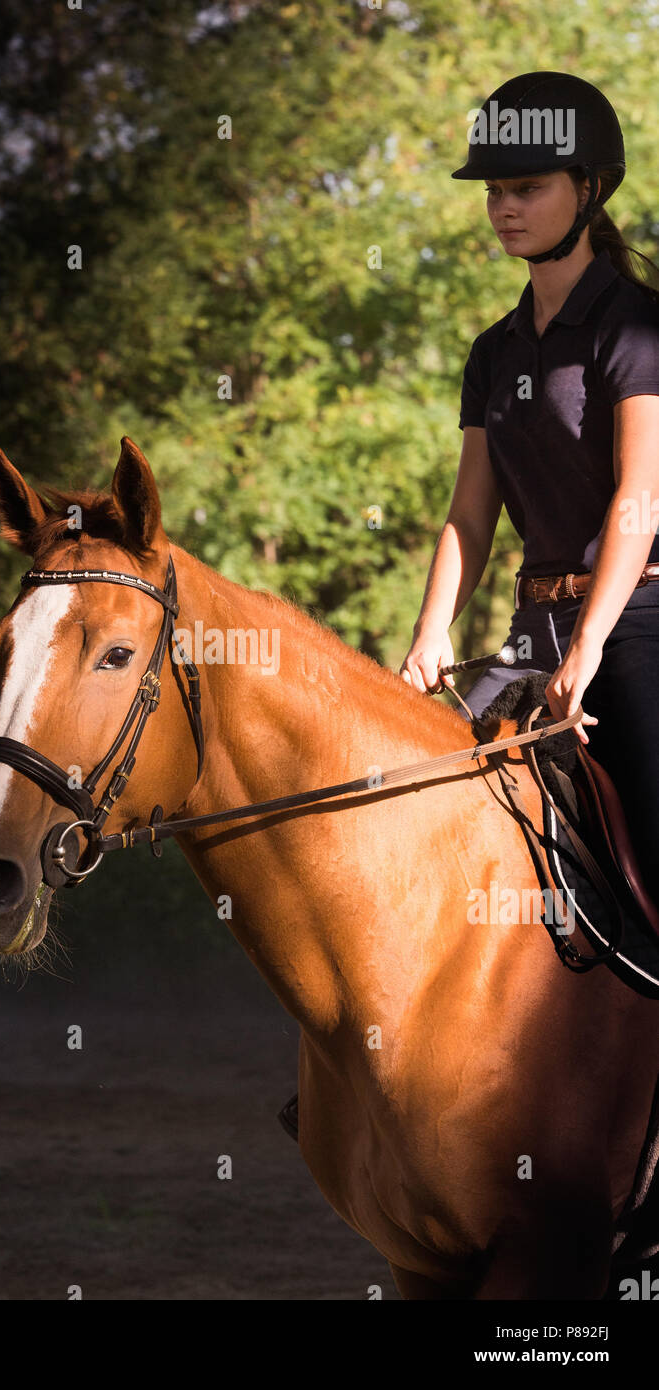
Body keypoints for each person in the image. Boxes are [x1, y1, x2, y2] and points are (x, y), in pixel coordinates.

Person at [399, 71, 659, 903]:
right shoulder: (493, 352)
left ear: (587, 189)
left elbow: (638, 501)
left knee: (652, 845)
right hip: (530, 629)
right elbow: (470, 517)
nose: (504, 206)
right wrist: (431, 633)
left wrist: (587, 648)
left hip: (637, 626)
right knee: (428, 799)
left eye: (528, 186)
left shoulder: (636, 327)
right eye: (494, 190)